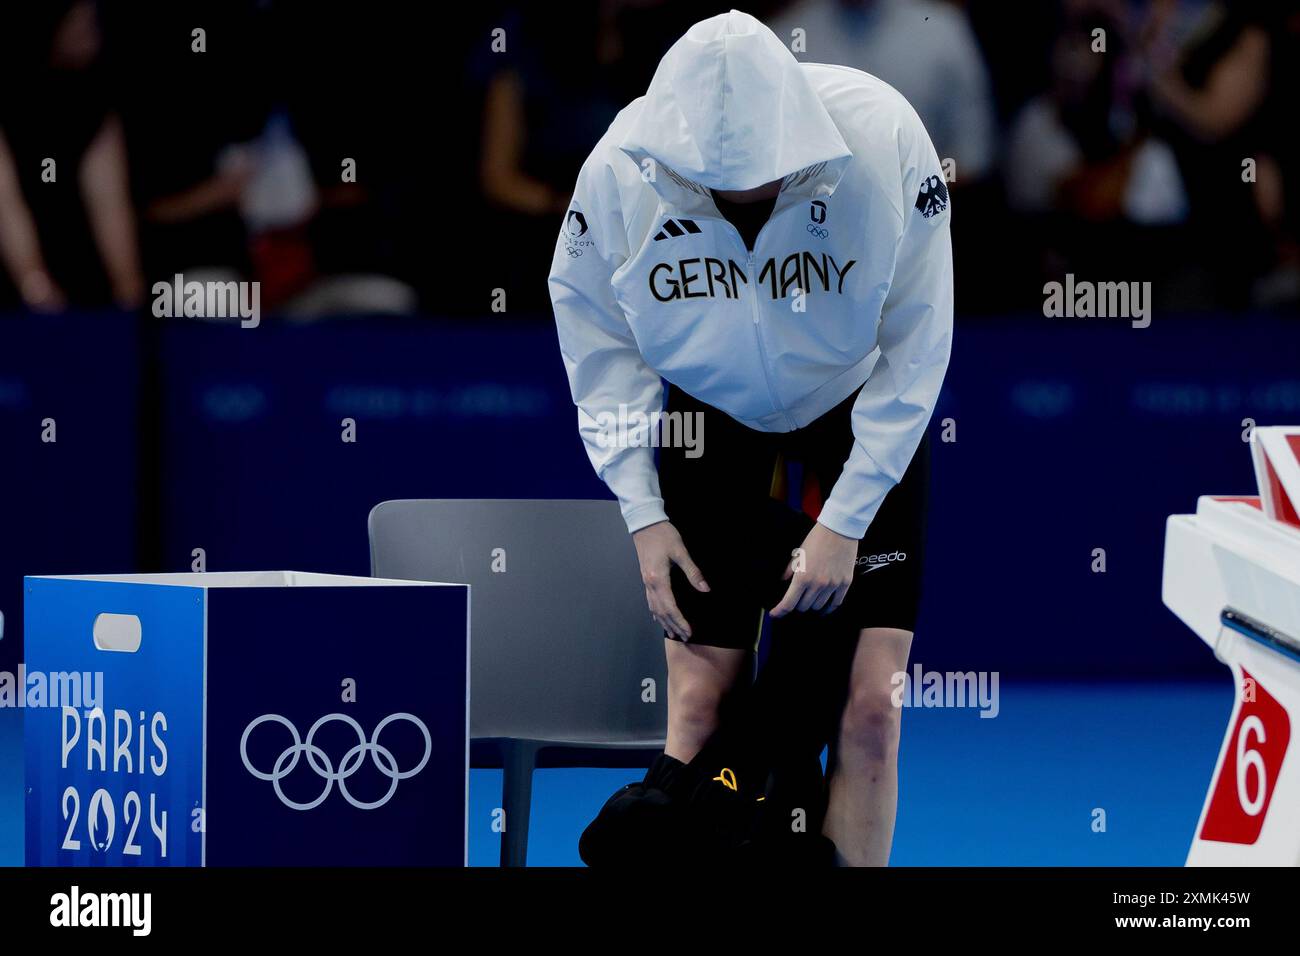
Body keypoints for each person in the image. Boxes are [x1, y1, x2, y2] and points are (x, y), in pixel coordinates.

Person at [548, 10, 951, 866]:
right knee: (699, 707)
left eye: (762, 185)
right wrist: (642, 512)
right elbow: (595, 340)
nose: (742, 203)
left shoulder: (883, 142)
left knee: (871, 715)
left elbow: (919, 344)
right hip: (708, 414)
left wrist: (844, 523)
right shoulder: (619, 170)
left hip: (857, 401)